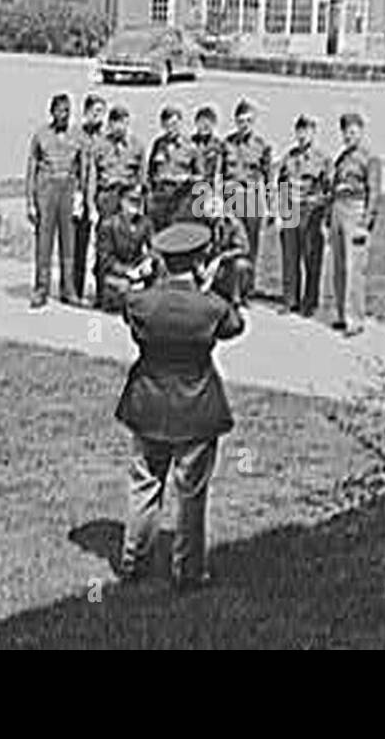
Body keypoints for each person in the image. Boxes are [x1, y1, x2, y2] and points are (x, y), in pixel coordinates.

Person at [114, 222, 246, 592]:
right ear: (201, 260)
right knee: (191, 494)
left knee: (144, 485)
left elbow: (130, 310)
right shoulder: (210, 307)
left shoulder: (140, 303)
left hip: (149, 403)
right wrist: (219, 287)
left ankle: (133, 562)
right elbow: (236, 326)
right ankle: (188, 570)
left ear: (163, 260)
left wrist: (142, 281)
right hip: (196, 406)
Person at [25, 93, 88, 308]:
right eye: (61, 111)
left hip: (68, 188)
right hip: (46, 188)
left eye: (68, 111)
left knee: (68, 242)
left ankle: (67, 289)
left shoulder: (78, 136)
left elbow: (83, 169)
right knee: (44, 242)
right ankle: (41, 289)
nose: (65, 115)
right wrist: (30, 203)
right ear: (52, 112)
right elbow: (31, 169)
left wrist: (81, 198)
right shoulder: (40, 135)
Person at [330, 112, 381, 337]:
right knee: (339, 266)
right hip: (339, 209)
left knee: (354, 268)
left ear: (361, 131)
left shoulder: (369, 158)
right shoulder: (342, 158)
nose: (349, 136)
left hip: (356, 210)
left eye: (353, 131)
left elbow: (374, 192)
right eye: (345, 132)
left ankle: (355, 319)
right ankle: (342, 314)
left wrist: (366, 222)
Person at [276, 114, 332, 317]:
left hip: (310, 210)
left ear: (313, 133)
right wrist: (281, 214)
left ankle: (310, 302)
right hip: (290, 208)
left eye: (306, 131)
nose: (302, 136)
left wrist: (324, 215)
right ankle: (290, 300)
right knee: (290, 256)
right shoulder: (289, 157)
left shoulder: (323, 159)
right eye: (299, 131)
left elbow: (328, 189)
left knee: (311, 256)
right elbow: (281, 184)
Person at [222, 99, 273, 302]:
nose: (245, 124)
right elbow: (218, 174)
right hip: (231, 198)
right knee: (231, 244)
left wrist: (271, 207)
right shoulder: (226, 144)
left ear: (254, 122)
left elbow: (269, 179)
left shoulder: (262, 146)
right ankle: (231, 288)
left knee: (251, 246)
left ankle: (248, 289)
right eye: (241, 120)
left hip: (252, 198)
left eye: (249, 121)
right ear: (235, 121)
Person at [95, 183, 157, 313]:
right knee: (121, 290)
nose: (135, 205)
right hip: (117, 275)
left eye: (138, 201)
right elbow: (106, 259)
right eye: (131, 200)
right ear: (122, 201)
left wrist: (148, 261)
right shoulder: (109, 224)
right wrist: (127, 271)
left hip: (137, 273)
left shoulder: (145, 223)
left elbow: (155, 248)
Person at [72, 93, 107, 300]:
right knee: (78, 245)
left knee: (102, 246)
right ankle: (74, 289)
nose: (98, 117)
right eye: (95, 112)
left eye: (101, 112)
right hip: (79, 197)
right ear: (85, 113)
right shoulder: (76, 136)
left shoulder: (105, 139)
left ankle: (102, 292)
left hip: (100, 197)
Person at [147, 106, 197, 232]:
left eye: (174, 124)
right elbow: (150, 172)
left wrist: (186, 179)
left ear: (180, 123)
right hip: (161, 200)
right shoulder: (158, 144)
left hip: (181, 200)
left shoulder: (190, 146)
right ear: (162, 125)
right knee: (160, 235)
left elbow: (200, 176)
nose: (171, 128)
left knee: (178, 236)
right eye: (167, 125)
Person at [94, 105, 146, 222]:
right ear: (110, 124)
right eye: (117, 123)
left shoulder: (137, 145)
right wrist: (91, 206)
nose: (120, 127)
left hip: (128, 196)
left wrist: (140, 203)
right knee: (106, 233)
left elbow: (142, 176)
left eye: (124, 123)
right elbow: (92, 178)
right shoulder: (99, 146)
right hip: (107, 196)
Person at [201, 195, 251, 306]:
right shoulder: (206, 224)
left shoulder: (234, 224)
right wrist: (200, 263)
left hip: (228, 263)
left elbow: (244, 248)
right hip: (211, 262)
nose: (210, 218)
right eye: (208, 214)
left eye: (213, 213)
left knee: (241, 265)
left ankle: (236, 297)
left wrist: (220, 258)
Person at [187, 105, 226, 218]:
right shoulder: (189, 142)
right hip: (191, 191)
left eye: (207, 124)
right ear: (195, 123)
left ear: (214, 125)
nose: (204, 127)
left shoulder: (219, 145)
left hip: (212, 191)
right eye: (201, 123)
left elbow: (221, 171)